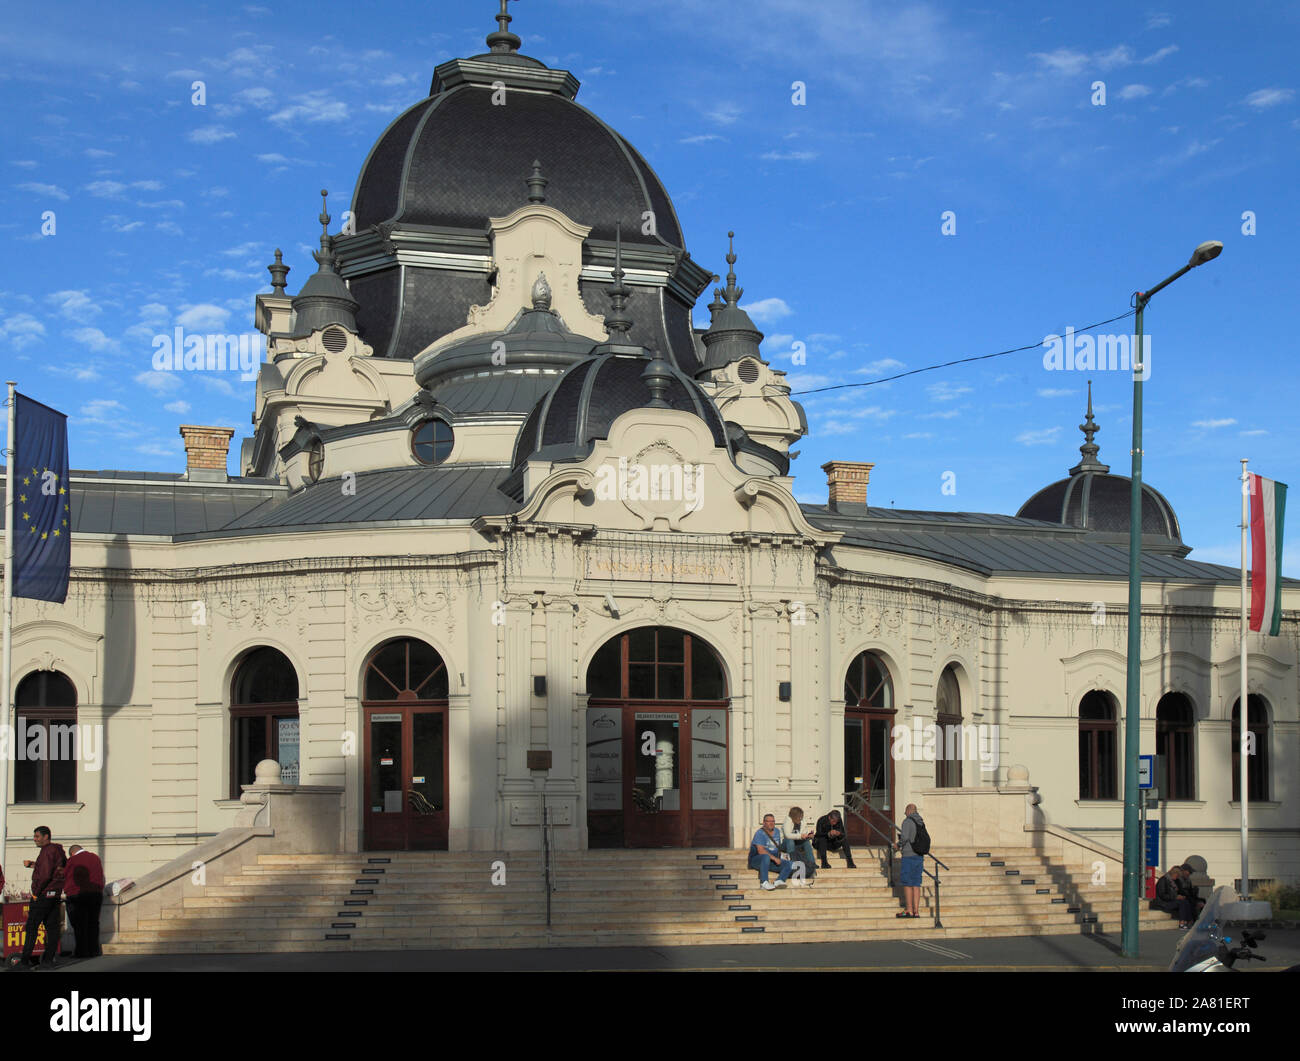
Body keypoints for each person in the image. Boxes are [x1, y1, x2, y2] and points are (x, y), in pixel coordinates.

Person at [20, 826, 66, 969]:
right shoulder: (58, 850)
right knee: (52, 928)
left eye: (37, 836)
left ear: (46, 837)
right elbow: (53, 871)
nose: (35, 839)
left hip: (43, 895)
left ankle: (24, 962)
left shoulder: (47, 851)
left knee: (32, 926)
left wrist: (36, 893)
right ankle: (48, 960)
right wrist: (33, 865)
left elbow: (45, 875)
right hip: (54, 894)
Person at [63, 844, 106, 959]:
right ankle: (94, 950)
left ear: (72, 853)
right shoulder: (95, 857)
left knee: (79, 924)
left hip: (78, 894)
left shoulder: (72, 860)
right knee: (93, 923)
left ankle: (82, 951)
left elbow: (65, 875)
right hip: (96, 893)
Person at [749, 813, 797, 891]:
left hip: (770, 861)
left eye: (773, 821)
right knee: (766, 856)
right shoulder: (760, 833)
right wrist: (775, 859)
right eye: (769, 821)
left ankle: (779, 880)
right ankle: (764, 883)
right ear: (764, 823)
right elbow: (761, 851)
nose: (771, 823)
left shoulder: (777, 831)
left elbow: (778, 847)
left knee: (790, 863)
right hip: (758, 860)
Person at [895, 803, 926, 918]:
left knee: (907, 883)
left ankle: (909, 910)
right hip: (919, 855)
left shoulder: (907, 821)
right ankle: (916, 911)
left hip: (908, 855)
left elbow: (904, 838)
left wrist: (897, 845)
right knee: (916, 883)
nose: (905, 814)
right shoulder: (921, 822)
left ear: (909, 811)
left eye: (905, 812)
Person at [782, 807, 817, 880]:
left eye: (801, 816)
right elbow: (787, 835)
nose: (800, 818)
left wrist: (808, 835)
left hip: (797, 843)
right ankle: (793, 865)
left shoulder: (803, 821)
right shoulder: (788, 820)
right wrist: (800, 836)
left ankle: (812, 865)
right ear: (793, 816)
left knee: (806, 842)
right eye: (799, 817)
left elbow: (804, 833)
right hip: (786, 844)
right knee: (790, 841)